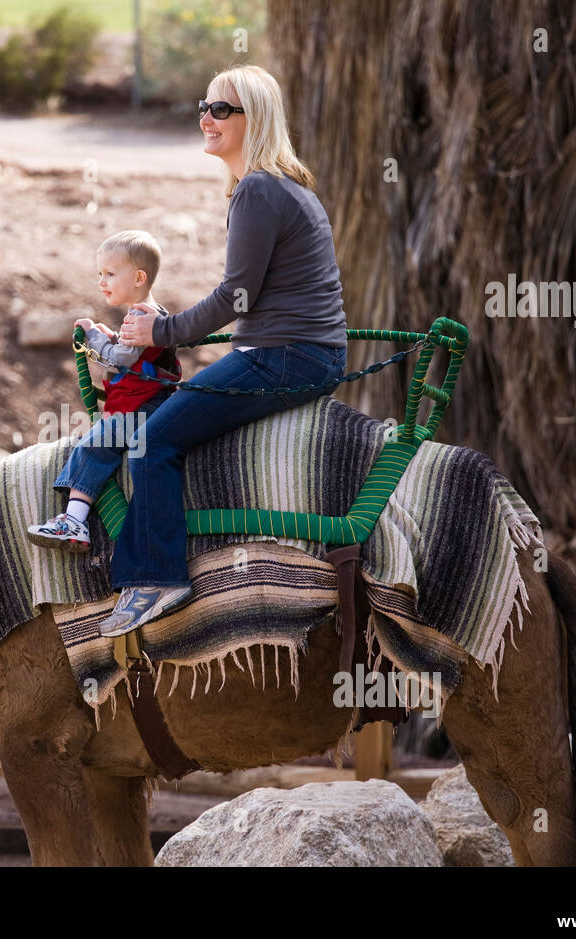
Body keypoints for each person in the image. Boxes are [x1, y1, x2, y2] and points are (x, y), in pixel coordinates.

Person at [98, 64, 349, 638]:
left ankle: (158, 579)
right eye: (204, 106)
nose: (205, 119)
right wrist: (171, 326)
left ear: (252, 119)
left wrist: (158, 335)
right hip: (302, 354)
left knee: (154, 439)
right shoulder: (277, 186)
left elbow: (235, 296)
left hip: (283, 357)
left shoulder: (259, 189)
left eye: (220, 110)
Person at [27, 230, 180, 552]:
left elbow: (122, 358)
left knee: (94, 444)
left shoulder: (140, 315)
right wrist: (108, 335)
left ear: (139, 277)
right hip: (150, 400)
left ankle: (74, 521)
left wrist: (94, 339)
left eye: (110, 274)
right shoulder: (152, 312)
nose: (102, 281)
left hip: (144, 405)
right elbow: (131, 351)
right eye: (100, 274)